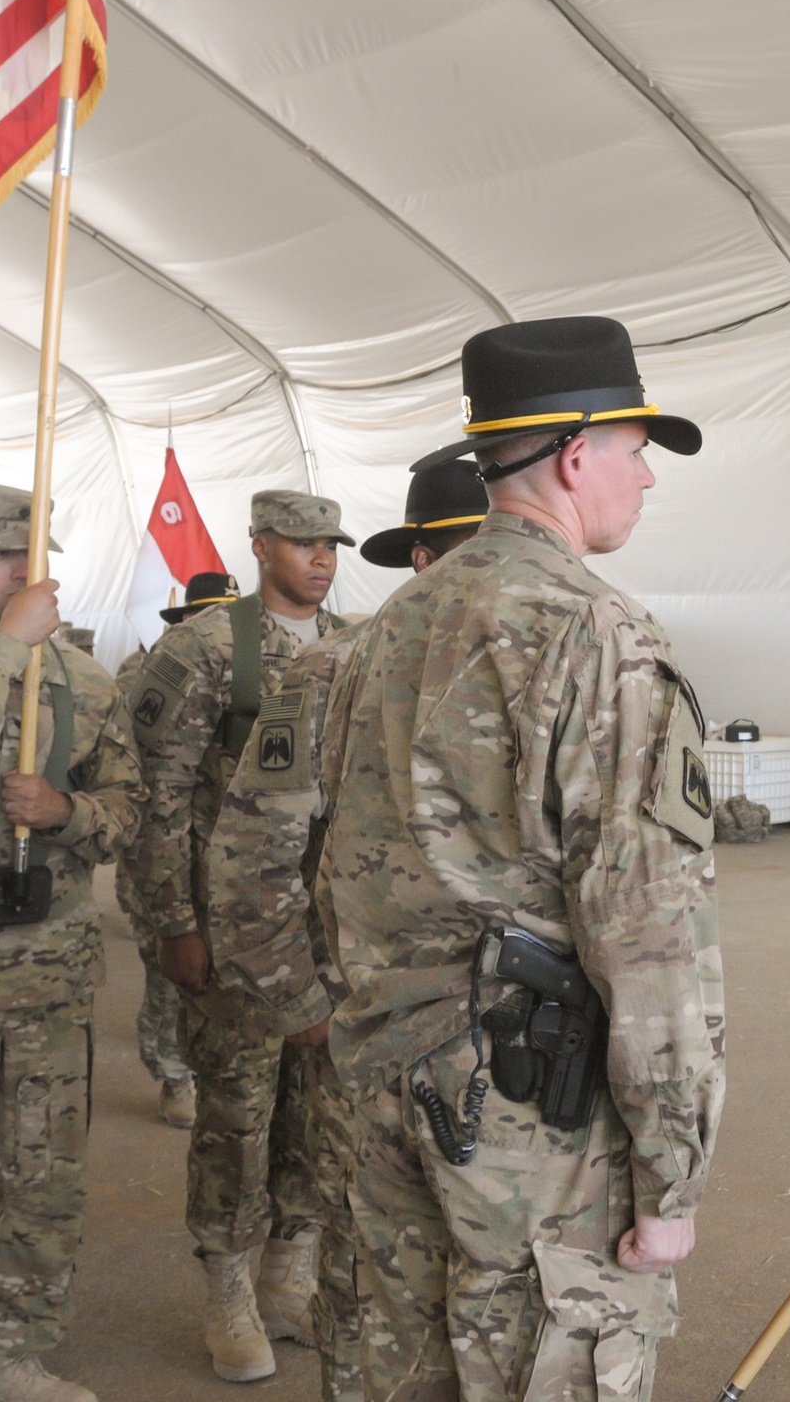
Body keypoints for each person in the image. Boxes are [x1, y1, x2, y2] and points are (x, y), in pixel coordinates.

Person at [319, 316, 725, 1402]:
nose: (645, 477)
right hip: (530, 1117)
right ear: (575, 452)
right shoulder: (596, 636)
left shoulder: (383, 632)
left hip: (383, 1085)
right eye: (637, 449)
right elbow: (650, 933)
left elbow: (334, 872)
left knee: (395, 1363)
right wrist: (672, 1171)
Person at [203, 460, 488, 1402]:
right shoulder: (332, 671)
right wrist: (301, 1001)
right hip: (361, 1010)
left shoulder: (554, 662)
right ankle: (239, 1286)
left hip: (502, 1043)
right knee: (368, 1254)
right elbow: (246, 853)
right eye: (466, 549)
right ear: (422, 556)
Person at [125, 492, 354, 1383]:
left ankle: (289, 1272)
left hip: (326, 932)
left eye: (329, 543)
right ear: (260, 546)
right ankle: (227, 1287)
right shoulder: (208, 648)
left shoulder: (353, 645)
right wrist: (172, 925)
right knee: (236, 1116)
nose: (320, 557)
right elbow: (158, 799)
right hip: (232, 931)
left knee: (318, 1113)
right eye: (300, 542)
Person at [0, 484, 144, 1402]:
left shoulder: (88, 683)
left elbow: (132, 814)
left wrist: (69, 812)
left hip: (49, 979)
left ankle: (5, 1355)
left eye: (33, 555)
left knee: (41, 1175)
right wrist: (5, 646)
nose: (22, 573)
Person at [113, 571, 241, 1131]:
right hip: (162, 850)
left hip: (226, 859)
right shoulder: (146, 674)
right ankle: (173, 1073)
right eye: (205, 612)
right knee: (167, 974)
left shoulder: (250, 674)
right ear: (183, 618)